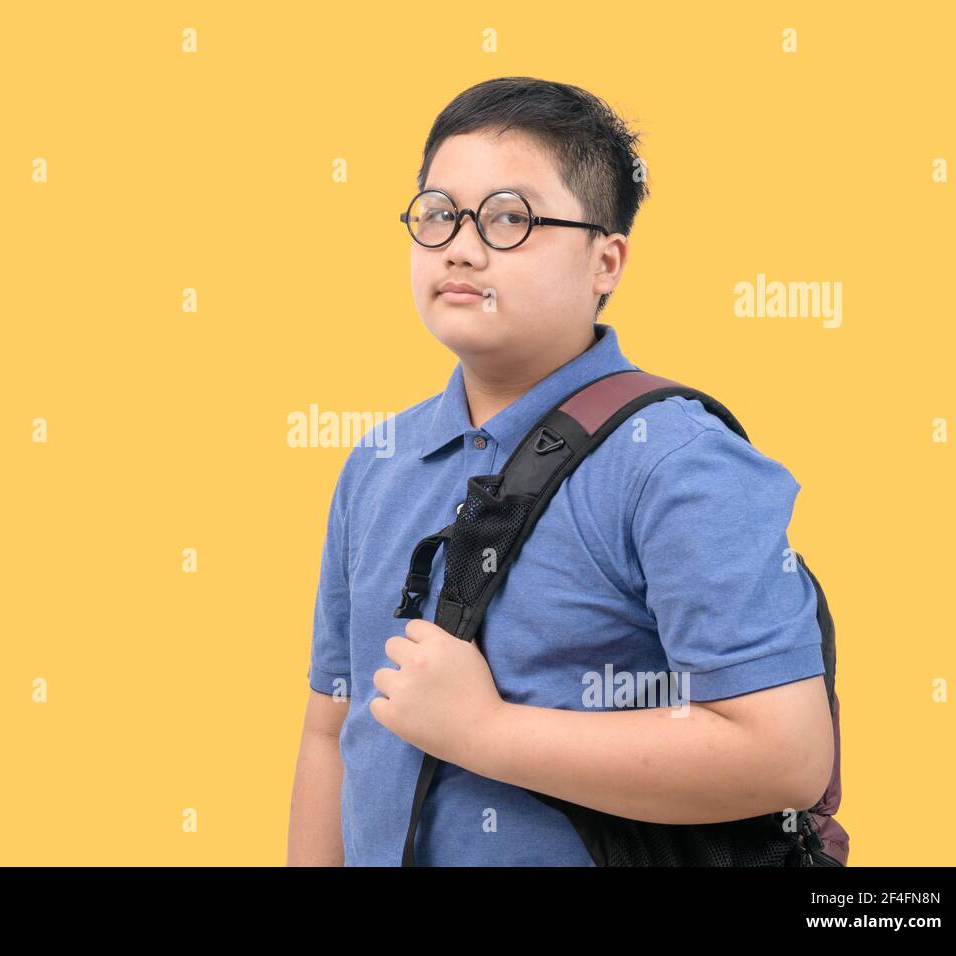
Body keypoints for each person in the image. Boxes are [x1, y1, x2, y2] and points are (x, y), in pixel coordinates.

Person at [287, 77, 836, 866]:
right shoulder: (377, 462)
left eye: (510, 218)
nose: (462, 247)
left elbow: (785, 757)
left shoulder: (678, 463)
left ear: (605, 260)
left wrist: (486, 733)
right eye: (438, 214)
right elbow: (331, 727)